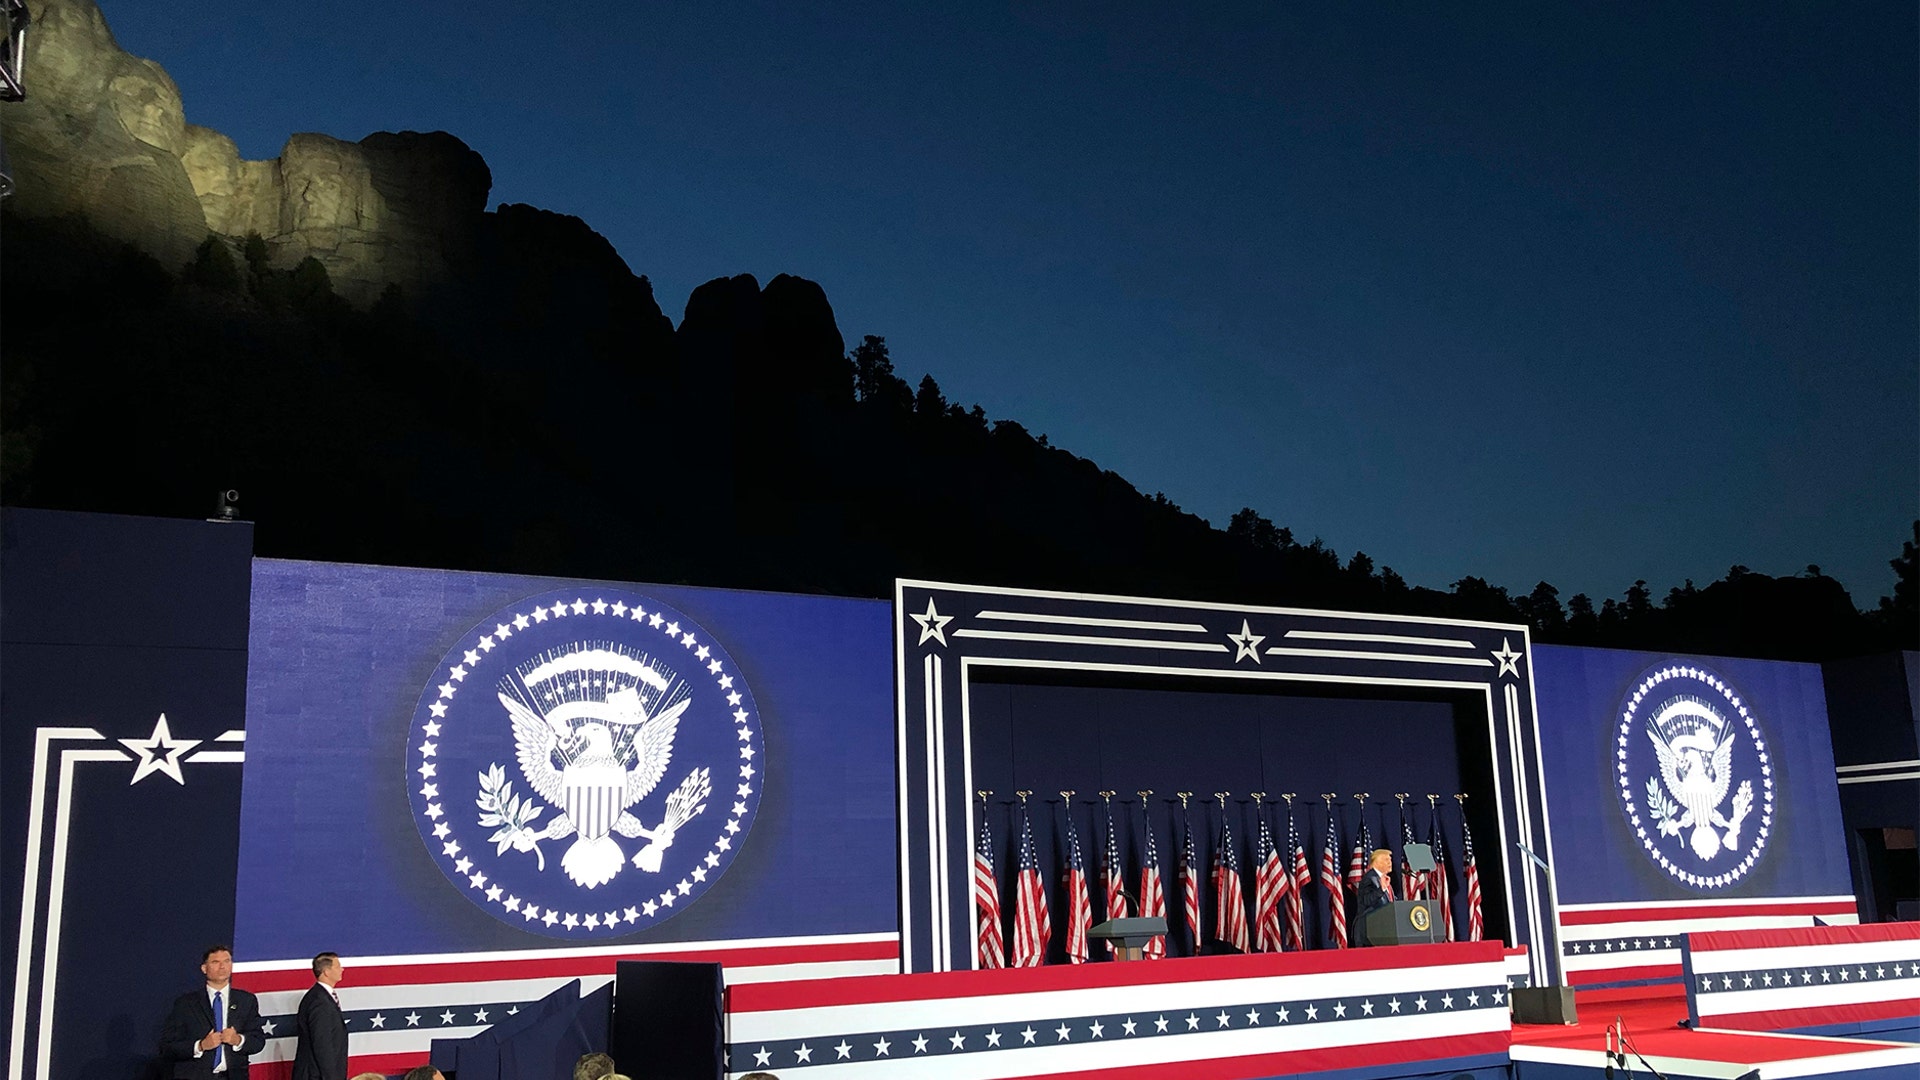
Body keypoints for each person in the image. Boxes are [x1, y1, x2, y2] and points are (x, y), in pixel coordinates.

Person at [158, 944, 267, 1078]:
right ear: (204, 968)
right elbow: (168, 1047)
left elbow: (258, 1041)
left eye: (227, 961)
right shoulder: (186, 1003)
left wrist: (238, 1040)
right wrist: (201, 1045)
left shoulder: (246, 1000)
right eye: (216, 962)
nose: (222, 966)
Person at [291, 952, 348, 1080]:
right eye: (338, 966)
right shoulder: (319, 1001)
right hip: (317, 1075)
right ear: (326, 972)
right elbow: (322, 1045)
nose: (342, 969)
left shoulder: (322, 997)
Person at [1354, 848, 1395, 947]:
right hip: (1369, 932)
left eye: (1390, 860)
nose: (1390, 863)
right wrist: (1381, 889)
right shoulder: (1370, 878)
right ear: (1377, 863)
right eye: (1386, 860)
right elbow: (1366, 901)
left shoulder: (1383, 878)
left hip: (1382, 931)